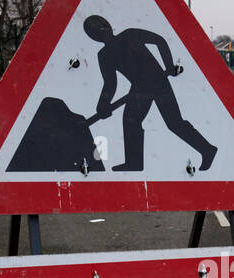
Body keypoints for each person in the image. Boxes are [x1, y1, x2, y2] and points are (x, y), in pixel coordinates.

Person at [83, 15, 217, 172]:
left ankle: (207, 150)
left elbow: (159, 40)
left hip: (158, 81)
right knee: (130, 120)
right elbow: (110, 83)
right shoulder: (104, 55)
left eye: (102, 28)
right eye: (97, 31)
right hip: (139, 89)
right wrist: (103, 104)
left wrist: (169, 66)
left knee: (174, 123)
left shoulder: (130, 34)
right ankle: (134, 163)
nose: (102, 33)